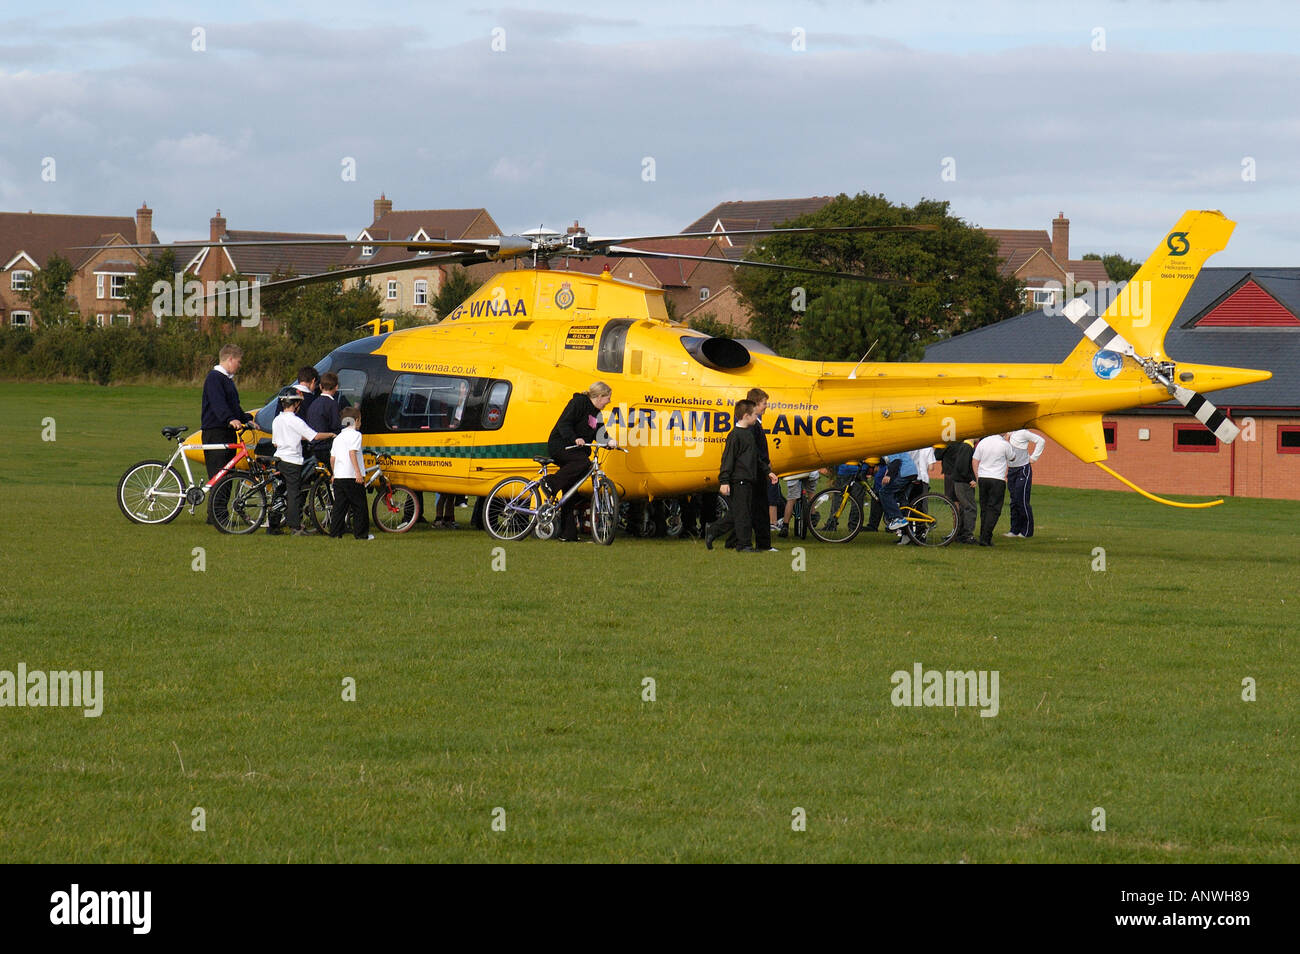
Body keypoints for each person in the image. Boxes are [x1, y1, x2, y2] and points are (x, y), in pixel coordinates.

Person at [542, 381, 613, 542]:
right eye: (608, 398)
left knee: (571, 491)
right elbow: (564, 423)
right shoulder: (578, 403)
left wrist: (609, 442)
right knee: (584, 463)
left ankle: (568, 534)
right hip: (561, 445)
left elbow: (601, 434)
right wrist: (575, 438)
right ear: (600, 396)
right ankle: (550, 483)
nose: (609, 401)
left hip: (576, 450)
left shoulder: (597, 414)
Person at [200, 344, 254, 523]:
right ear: (230, 359)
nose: (239, 365)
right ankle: (217, 515)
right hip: (216, 432)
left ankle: (217, 514)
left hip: (226, 431)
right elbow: (218, 404)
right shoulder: (215, 378)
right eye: (238, 362)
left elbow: (233, 406)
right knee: (219, 473)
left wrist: (245, 419)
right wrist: (229, 419)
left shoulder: (227, 379)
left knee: (227, 474)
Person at [270, 392, 333, 536]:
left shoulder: (277, 420)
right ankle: (295, 527)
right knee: (294, 494)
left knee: (280, 492)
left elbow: (275, 442)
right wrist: (330, 434)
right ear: (296, 404)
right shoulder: (296, 420)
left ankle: (273, 524)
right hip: (292, 460)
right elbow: (314, 436)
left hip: (279, 459)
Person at [705, 399, 759, 552]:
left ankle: (714, 531)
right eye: (755, 414)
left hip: (748, 479)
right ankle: (744, 544)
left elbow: (754, 457)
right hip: (739, 480)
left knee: (738, 512)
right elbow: (727, 458)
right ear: (746, 416)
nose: (757, 417)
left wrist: (768, 472)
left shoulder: (748, 434)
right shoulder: (735, 435)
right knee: (742, 514)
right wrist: (724, 481)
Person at [743, 388, 780, 552]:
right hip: (756, 472)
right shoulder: (753, 426)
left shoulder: (755, 424)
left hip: (758, 471)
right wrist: (766, 468)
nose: (766, 407)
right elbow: (754, 451)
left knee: (754, 509)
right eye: (764, 403)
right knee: (759, 509)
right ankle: (763, 544)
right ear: (756, 405)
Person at [329, 407, 372, 540]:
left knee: (339, 507)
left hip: (340, 476)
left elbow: (332, 458)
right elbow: (352, 452)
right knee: (360, 506)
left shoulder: (338, 437)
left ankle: (335, 533)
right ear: (356, 420)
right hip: (352, 476)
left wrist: (334, 473)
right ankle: (361, 534)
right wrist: (358, 473)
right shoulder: (356, 435)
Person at [973, 432, 1015, 547]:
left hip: (983, 477)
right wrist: (1008, 441)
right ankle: (986, 537)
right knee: (994, 509)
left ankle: (983, 535)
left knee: (984, 508)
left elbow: (975, 460)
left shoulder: (983, 442)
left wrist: (977, 476)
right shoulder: (1004, 444)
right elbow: (1013, 457)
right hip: (997, 479)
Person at [1005, 429, 1046, 538]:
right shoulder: (1007, 433)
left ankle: (1026, 531)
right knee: (1013, 501)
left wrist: (1034, 457)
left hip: (1022, 469)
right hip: (1011, 470)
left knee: (1021, 500)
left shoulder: (1023, 432)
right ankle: (1014, 530)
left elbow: (1041, 441)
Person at [937, 439, 978, 544]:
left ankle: (957, 532)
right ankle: (961, 533)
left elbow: (937, 455)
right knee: (963, 506)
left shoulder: (950, 443)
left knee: (956, 506)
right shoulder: (965, 445)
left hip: (952, 475)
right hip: (962, 476)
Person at [878, 451, 918, 543]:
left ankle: (898, 518)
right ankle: (907, 533)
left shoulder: (889, 446)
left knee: (884, 492)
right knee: (901, 501)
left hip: (905, 472)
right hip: (910, 472)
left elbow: (896, 461)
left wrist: (888, 476)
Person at [305, 371, 342, 468]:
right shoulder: (332, 404)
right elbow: (335, 426)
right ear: (336, 387)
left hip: (312, 445)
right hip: (325, 446)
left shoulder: (314, 403)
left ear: (320, 386)